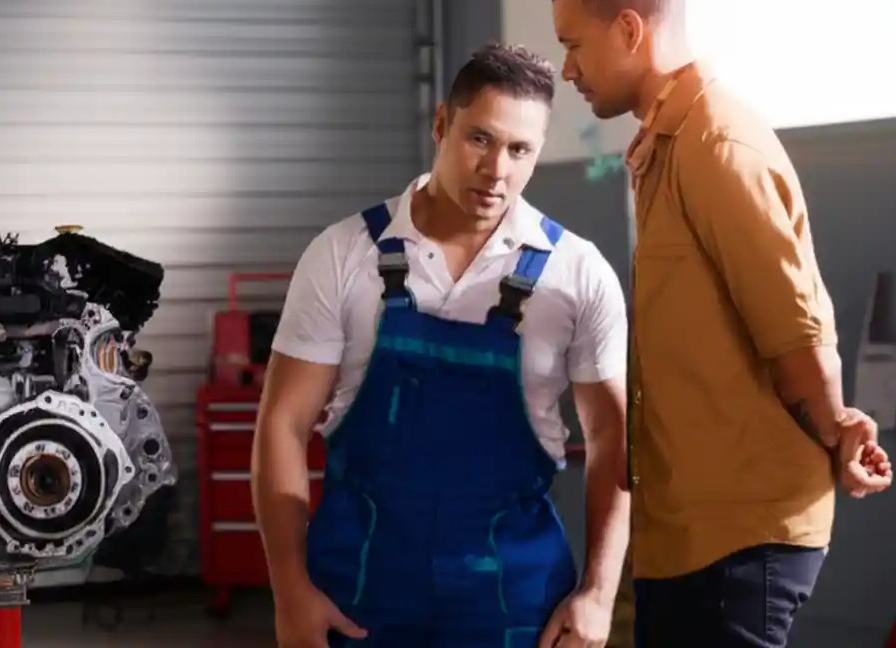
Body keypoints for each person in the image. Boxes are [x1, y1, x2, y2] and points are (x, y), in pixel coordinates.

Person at [549, 0, 894, 647]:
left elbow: (797, 333)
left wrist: (837, 429)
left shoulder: (716, 143)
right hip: (687, 534)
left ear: (630, 30)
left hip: (741, 538)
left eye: (574, 45)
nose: (567, 69)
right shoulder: (665, 146)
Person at [251, 44, 631, 648]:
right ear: (440, 124)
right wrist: (290, 591)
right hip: (359, 595)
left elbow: (613, 438)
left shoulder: (578, 273)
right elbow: (283, 424)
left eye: (520, 150)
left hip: (512, 604)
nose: (497, 170)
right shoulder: (343, 254)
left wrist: (599, 593)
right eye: (480, 139)